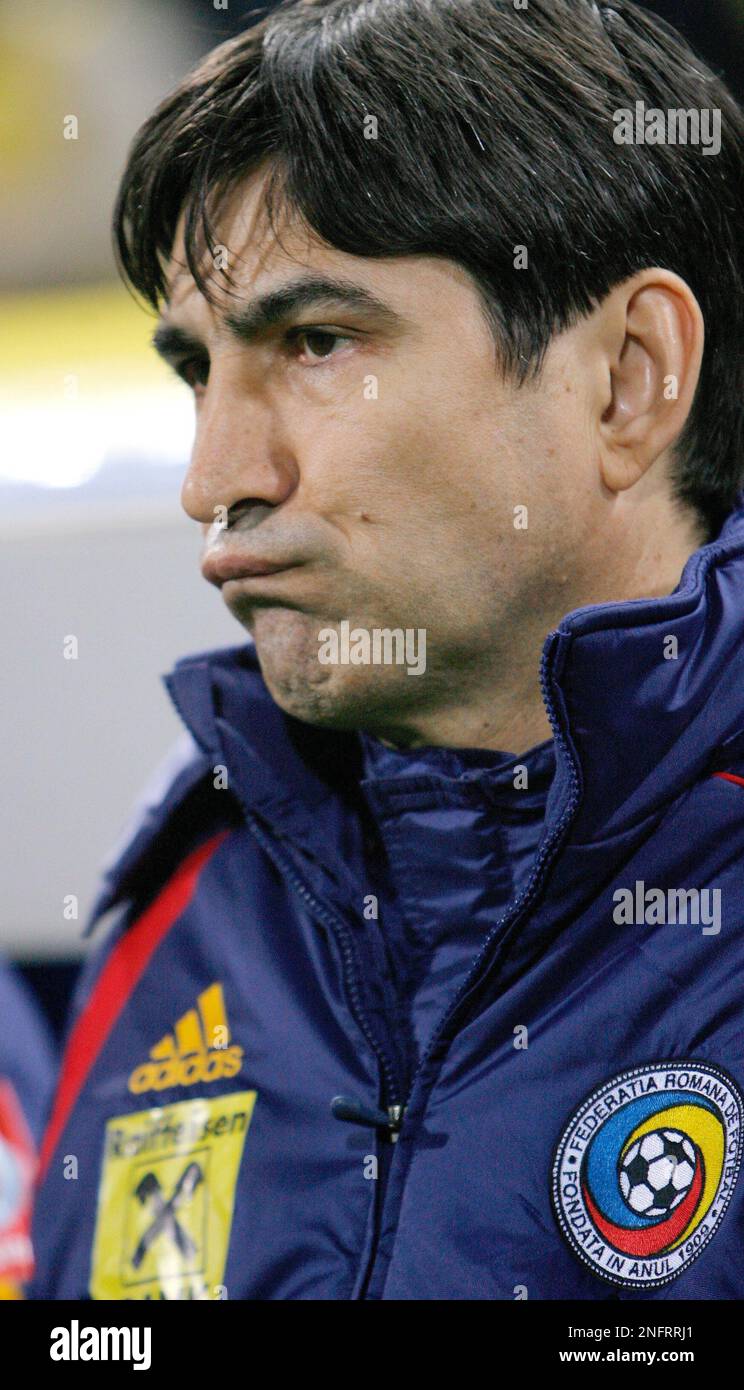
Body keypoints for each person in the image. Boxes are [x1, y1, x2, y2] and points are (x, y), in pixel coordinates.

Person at [32, 0, 744, 1299]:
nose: (214, 479)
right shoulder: (180, 927)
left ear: (630, 378)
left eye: (317, 344)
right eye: (199, 369)